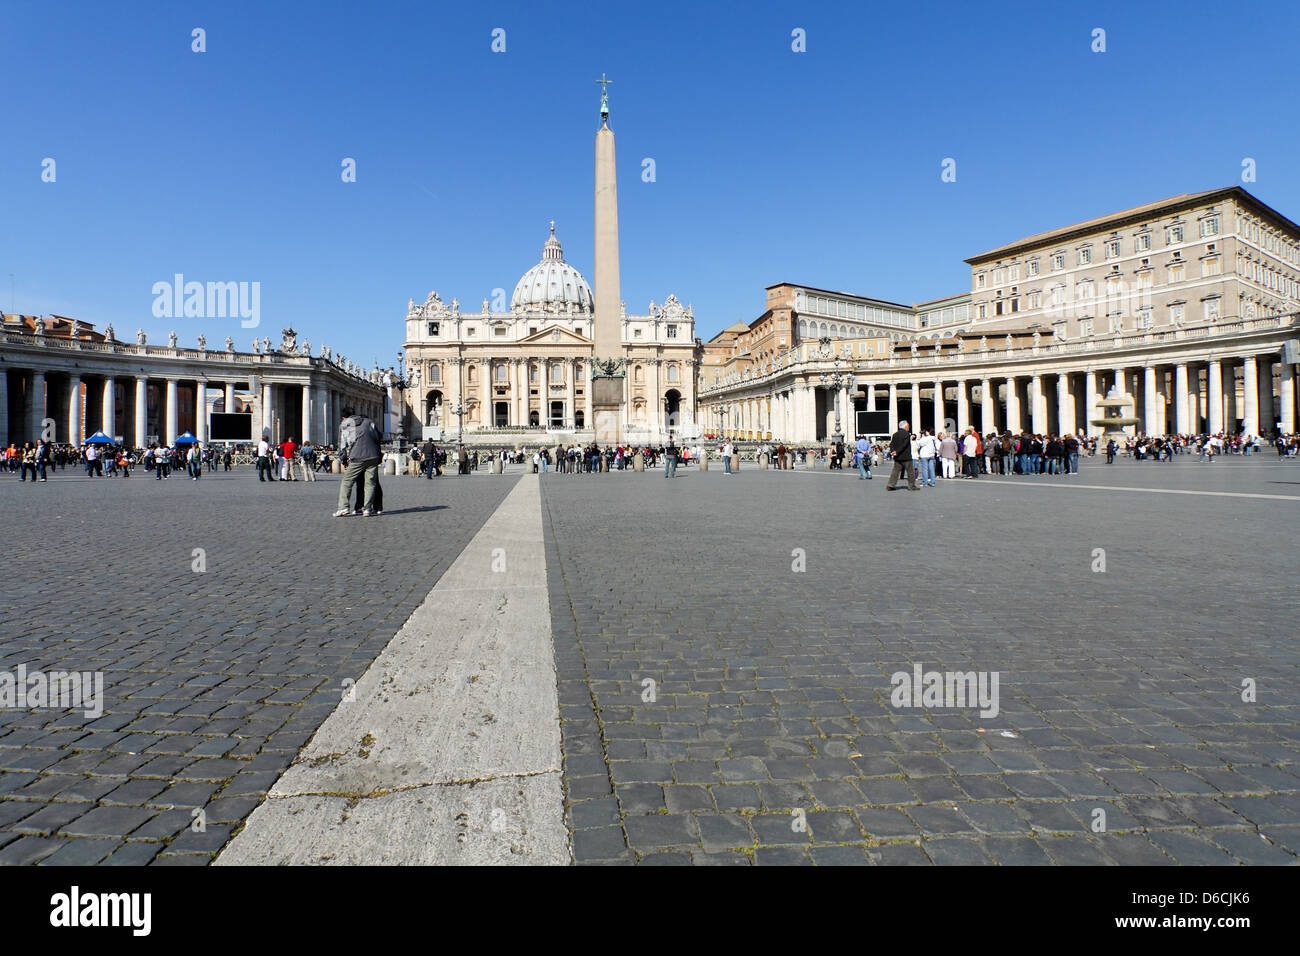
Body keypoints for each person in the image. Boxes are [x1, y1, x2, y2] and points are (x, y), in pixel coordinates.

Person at [334, 409, 383, 517]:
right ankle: (367, 509)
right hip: (373, 456)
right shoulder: (369, 422)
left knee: (347, 481)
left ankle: (343, 508)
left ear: (344, 418)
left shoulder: (345, 425)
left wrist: (343, 459)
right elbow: (378, 436)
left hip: (357, 456)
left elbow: (342, 445)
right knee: (370, 483)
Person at [885, 420, 919, 491]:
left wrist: (893, 451)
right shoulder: (906, 434)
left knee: (895, 472)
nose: (909, 427)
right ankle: (911, 486)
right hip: (906, 457)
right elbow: (904, 445)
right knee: (910, 472)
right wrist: (897, 452)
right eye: (908, 426)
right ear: (905, 426)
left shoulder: (895, 434)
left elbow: (891, 444)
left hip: (897, 458)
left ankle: (890, 485)